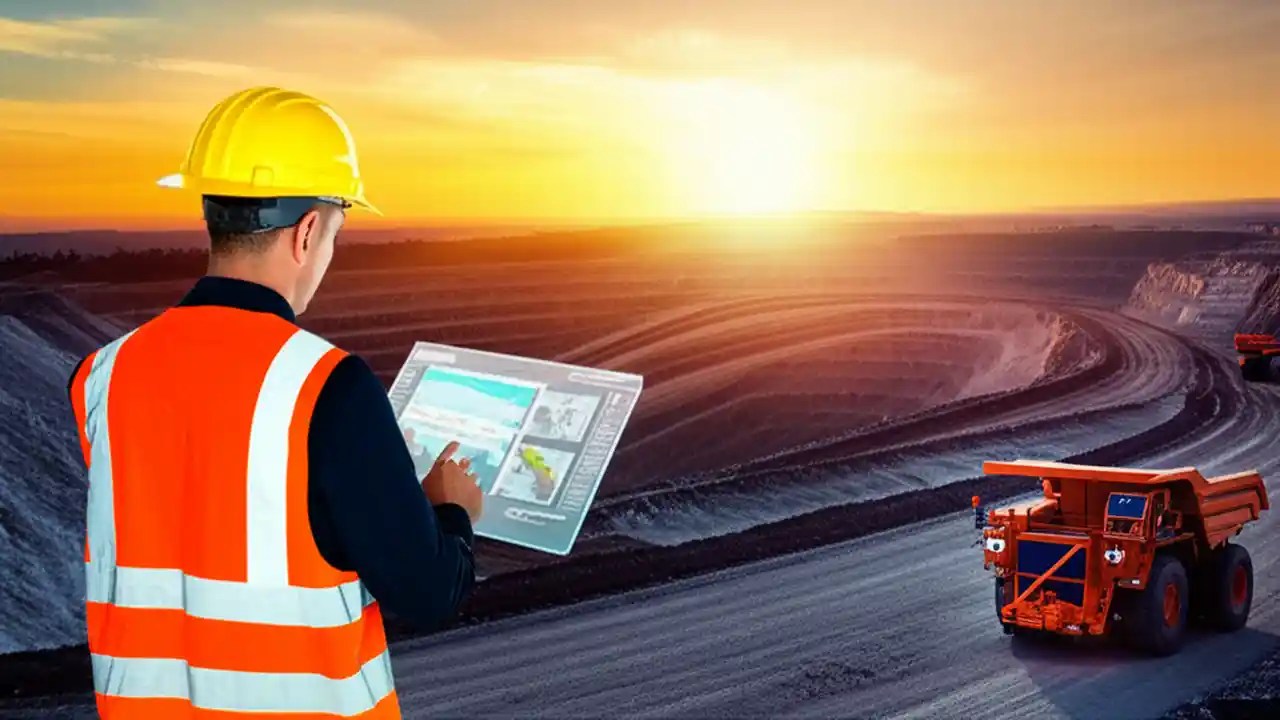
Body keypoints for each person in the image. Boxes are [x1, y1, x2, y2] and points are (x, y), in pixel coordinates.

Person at [65, 86, 482, 719]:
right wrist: (451, 512)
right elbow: (427, 592)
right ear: (309, 230)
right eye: (336, 233)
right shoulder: (327, 386)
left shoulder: (101, 375)